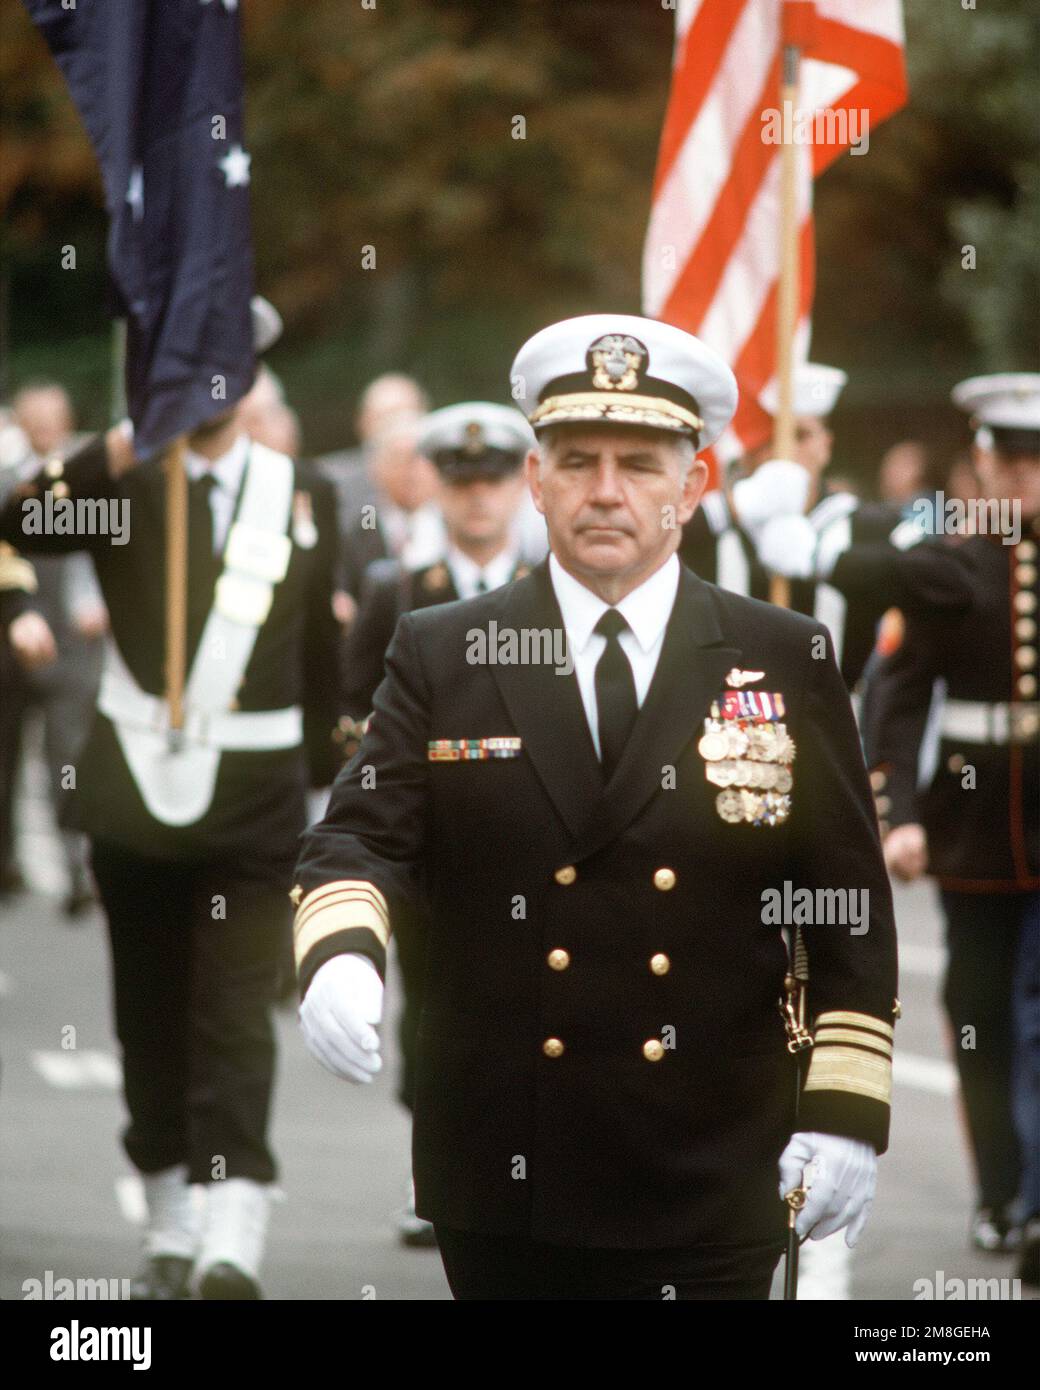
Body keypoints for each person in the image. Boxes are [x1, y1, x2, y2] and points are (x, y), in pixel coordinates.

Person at [292, 313, 899, 1301]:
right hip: (507, 1158)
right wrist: (342, 953)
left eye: (640, 463)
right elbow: (361, 833)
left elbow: (842, 900)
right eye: (576, 461)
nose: (606, 491)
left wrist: (841, 1109)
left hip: (714, 1160)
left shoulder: (782, 654)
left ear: (693, 485)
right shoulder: (445, 649)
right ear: (536, 480)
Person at [0, 303, 342, 1300]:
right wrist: (125, 433)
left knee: (235, 1012)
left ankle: (233, 1219)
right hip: (132, 796)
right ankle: (168, 1214)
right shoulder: (124, 484)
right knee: (149, 1013)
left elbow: (319, 666)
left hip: (256, 802)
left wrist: (333, 786)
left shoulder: (302, 490)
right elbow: (19, 519)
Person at [340, 400, 533, 1246]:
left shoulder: (547, 587)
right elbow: (356, 716)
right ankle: (439, 1177)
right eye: (463, 482)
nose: (479, 498)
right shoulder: (399, 591)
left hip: (534, 843)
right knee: (435, 1015)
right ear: (439, 490)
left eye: (493, 481)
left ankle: (533, 1172)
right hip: (434, 852)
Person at [867, 374, 1039, 1282]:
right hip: (973, 825)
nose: (1025, 480)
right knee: (978, 1013)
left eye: (1037, 463)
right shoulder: (950, 561)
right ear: (981, 463)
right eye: (1010, 461)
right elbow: (895, 697)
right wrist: (897, 813)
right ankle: (999, 1193)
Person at [2, 384, 106, 913]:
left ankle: (76, 868)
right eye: (34, 417)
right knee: (5, 758)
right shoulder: (6, 481)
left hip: (72, 642)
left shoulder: (88, 479)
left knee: (69, 757)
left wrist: (100, 601)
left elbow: (105, 547)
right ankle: (6, 862)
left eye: (53, 417)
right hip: (9, 641)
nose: (44, 426)